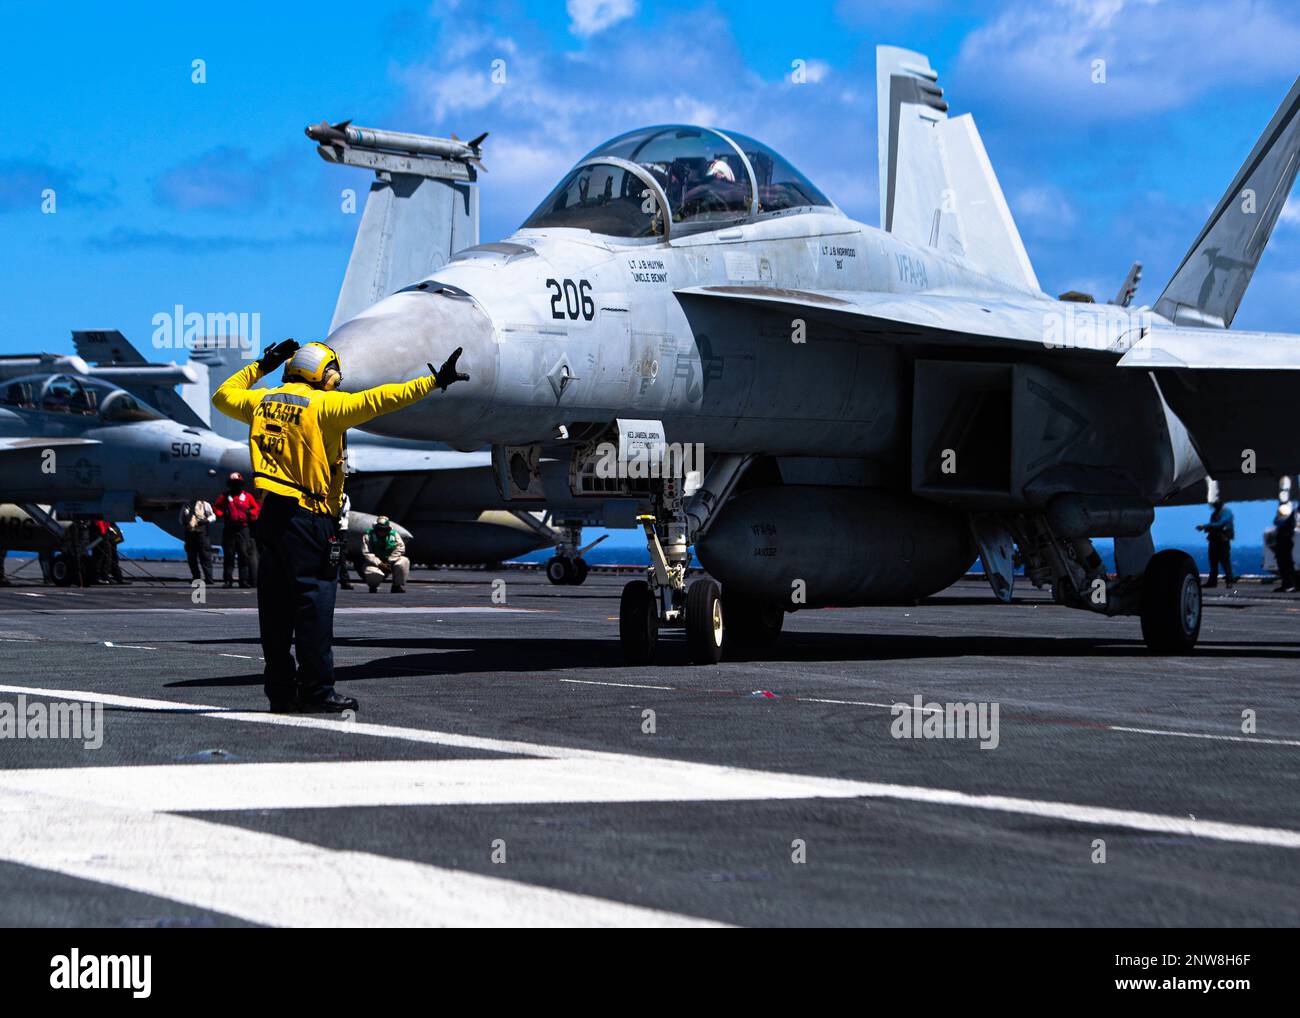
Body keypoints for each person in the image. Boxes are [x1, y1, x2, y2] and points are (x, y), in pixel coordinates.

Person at [212, 338, 467, 713]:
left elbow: (222, 395)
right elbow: (383, 398)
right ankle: (317, 692)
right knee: (313, 607)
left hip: (270, 519)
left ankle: (280, 694)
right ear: (323, 374)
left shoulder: (260, 402)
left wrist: (263, 364)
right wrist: (433, 382)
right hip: (307, 518)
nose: (337, 379)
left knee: (275, 612)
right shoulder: (327, 406)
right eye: (333, 374)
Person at [214, 472, 260, 588]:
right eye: (234, 483)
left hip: (243, 529)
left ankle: (243, 580)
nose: (236, 486)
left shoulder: (247, 496)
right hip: (230, 528)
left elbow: (256, 509)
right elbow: (216, 508)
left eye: (238, 483)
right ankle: (228, 580)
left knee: (243, 555)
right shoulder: (225, 497)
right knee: (229, 555)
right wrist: (223, 513)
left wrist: (250, 514)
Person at [362, 516, 410, 593]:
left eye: (384, 529)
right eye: (380, 529)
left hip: (390, 561)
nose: (382, 532)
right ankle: (373, 587)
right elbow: (367, 553)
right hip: (376, 562)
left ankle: (396, 586)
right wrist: (380, 563)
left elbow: (400, 548)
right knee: (372, 572)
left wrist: (390, 561)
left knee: (403, 562)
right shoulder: (368, 536)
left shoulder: (394, 535)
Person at [1196, 498, 1236, 588]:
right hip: (1214, 540)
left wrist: (1204, 526)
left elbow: (1220, 523)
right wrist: (1207, 528)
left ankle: (1229, 581)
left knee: (1225, 561)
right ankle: (1212, 582)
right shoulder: (1215, 513)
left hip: (1223, 541)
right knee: (1213, 562)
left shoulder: (1226, 512)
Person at [180, 497, 217, 583]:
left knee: (205, 556)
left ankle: (209, 578)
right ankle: (196, 577)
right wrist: (186, 523)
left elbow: (213, 516)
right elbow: (181, 518)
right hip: (190, 533)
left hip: (201, 534)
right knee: (192, 557)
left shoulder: (204, 504)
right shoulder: (186, 505)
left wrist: (206, 521)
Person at [1273, 501, 1296, 592]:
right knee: (1283, 564)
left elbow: (1278, 523)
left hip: (1285, 540)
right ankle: (1286, 584)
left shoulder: (1288, 516)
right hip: (1283, 540)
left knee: (1286, 564)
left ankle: (1290, 584)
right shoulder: (1288, 515)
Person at [336, 494, 354, 590]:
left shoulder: (345, 497)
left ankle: (344, 580)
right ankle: (344, 580)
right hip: (336, 527)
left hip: (341, 529)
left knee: (342, 556)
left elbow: (343, 511)